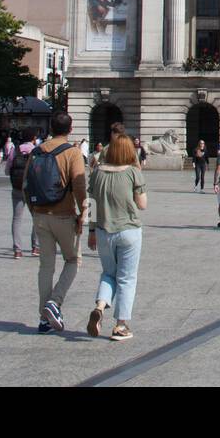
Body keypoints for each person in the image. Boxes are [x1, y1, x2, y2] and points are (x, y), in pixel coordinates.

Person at [26, 112, 89, 333]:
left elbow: (26, 184)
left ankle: (44, 318)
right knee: (72, 260)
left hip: (40, 216)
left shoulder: (36, 151)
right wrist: (83, 214)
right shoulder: (73, 153)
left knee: (46, 267)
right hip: (64, 215)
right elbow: (80, 187)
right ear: (70, 129)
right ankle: (55, 302)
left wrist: (33, 210)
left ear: (50, 128)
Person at [87, 133, 147, 341]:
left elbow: (91, 204)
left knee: (108, 273)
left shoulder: (97, 172)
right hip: (129, 231)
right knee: (126, 278)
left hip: (103, 231)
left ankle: (100, 306)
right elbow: (142, 204)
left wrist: (92, 231)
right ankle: (120, 326)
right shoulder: (132, 172)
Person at [6, 134, 40, 259]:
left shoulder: (15, 149)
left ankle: (17, 250)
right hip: (32, 189)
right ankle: (36, 247)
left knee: (16, 218)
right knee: (36, 217)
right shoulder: (36, 150)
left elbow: (7, 169)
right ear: (33, 138)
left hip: (17, 188)